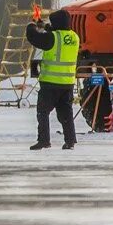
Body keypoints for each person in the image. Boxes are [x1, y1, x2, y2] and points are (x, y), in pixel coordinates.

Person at [27, 8, 79, 150]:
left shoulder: (52, 38)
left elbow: (33, 37)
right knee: (66, 113)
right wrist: (43, 25)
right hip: (67, 83)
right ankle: (70, 140)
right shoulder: (74, 37)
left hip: (50, 83)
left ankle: (44, 140)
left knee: (43, 112)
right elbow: (55, 33)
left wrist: (31, 25)